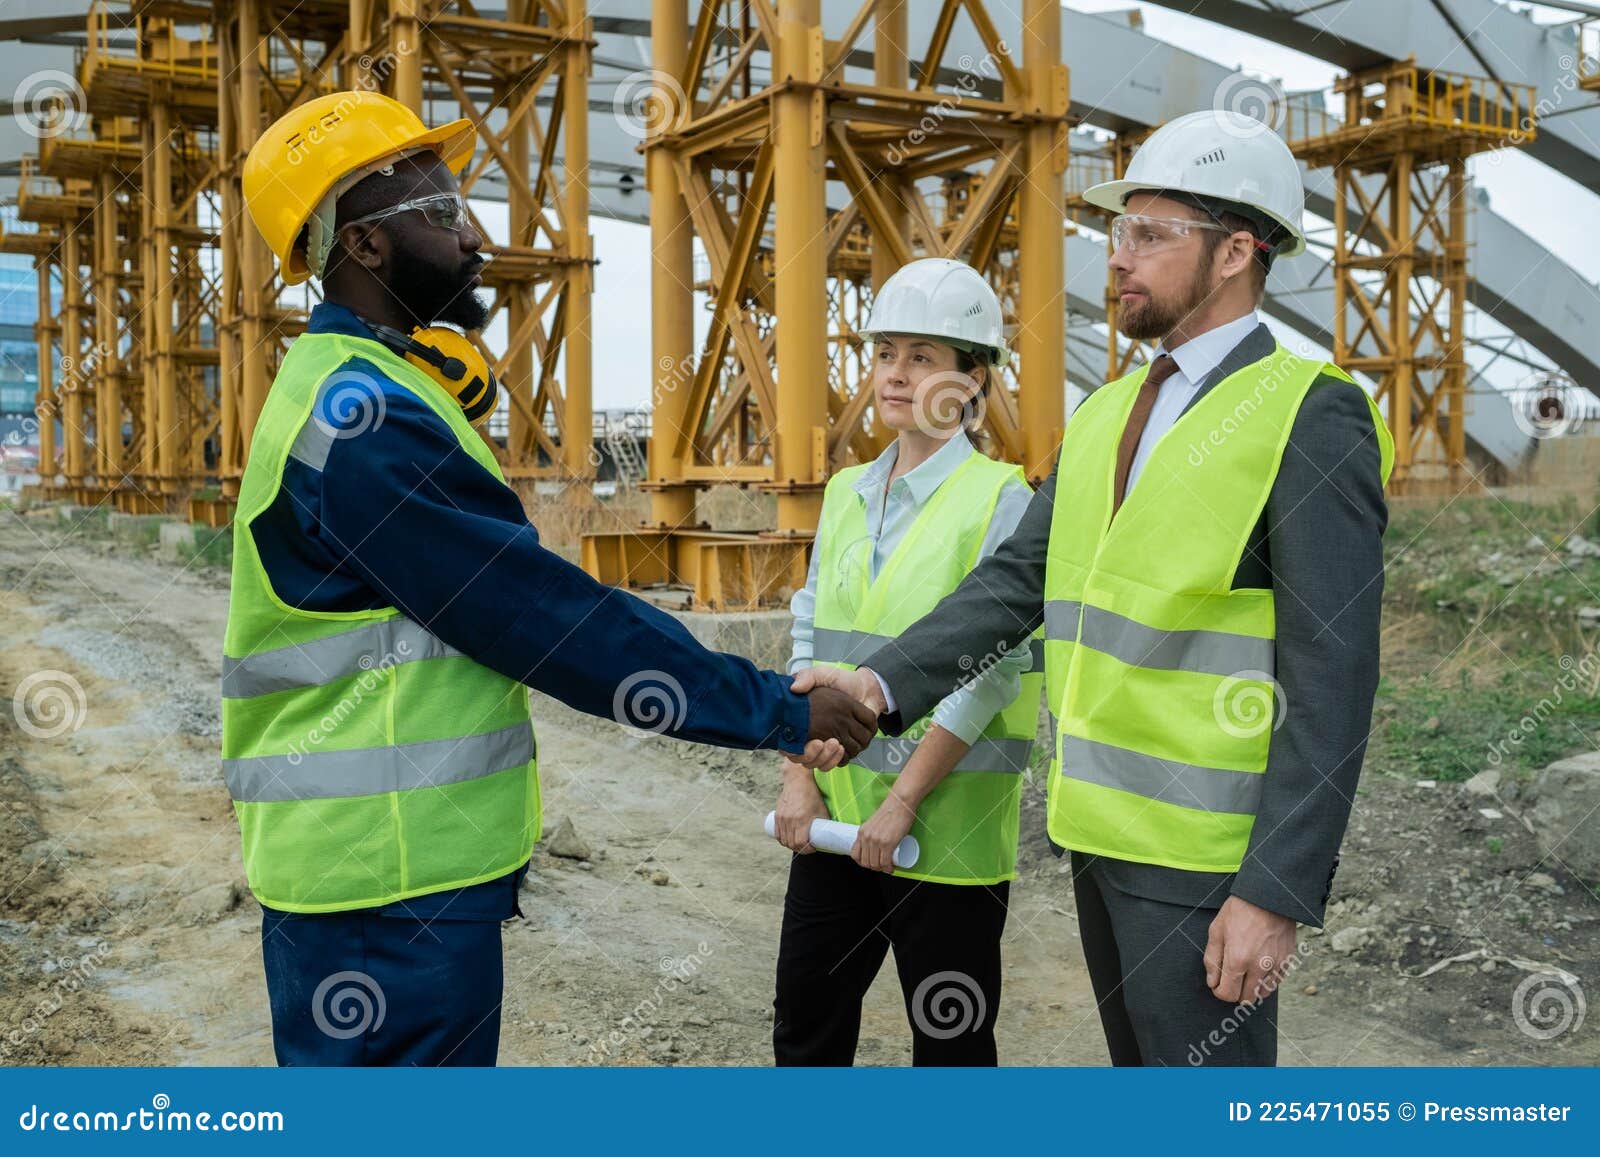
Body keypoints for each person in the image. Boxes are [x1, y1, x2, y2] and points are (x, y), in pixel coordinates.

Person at [228, 91, 877, 1066]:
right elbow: (541, 616)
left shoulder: (358, 385)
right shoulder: (363, 421)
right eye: (441, 213)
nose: (474, 239)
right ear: (363, 245)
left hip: (371, 874)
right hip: (388, 890)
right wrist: (775, 710)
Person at [795, 109, 1394, 1066]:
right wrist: (879, 682)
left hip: (1206, 861)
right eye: (1119, 232)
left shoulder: (1311, 412)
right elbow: (1015, 584)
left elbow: (1335, 669)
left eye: (1150, 235)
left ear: (1236, 251)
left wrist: (1275, 889)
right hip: (1097, 836)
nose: (1118, 258)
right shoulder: (1109, 411)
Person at [770, 258, 1042, 1066]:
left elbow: (991, 670)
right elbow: (810, 633)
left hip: (945, 835)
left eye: (922, 356)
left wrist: (903, 803)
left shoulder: (1002, 500)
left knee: (951, 1045)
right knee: (805, 1028)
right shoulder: (846, 490)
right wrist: (796, 775)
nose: (894, 373)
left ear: (973, 378)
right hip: (834, 812)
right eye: (886, 352)